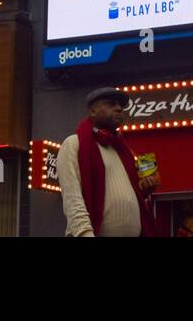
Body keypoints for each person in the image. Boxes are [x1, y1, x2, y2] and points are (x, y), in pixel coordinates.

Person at [55, 87, 159, 237]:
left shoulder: (123, 150)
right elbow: (72, 199)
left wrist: (145, 190)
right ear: (92, 111)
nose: (118, 108)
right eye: (111, 104)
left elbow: (129, 197)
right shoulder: (73, 144)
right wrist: (84, 233)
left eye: (121, 106)